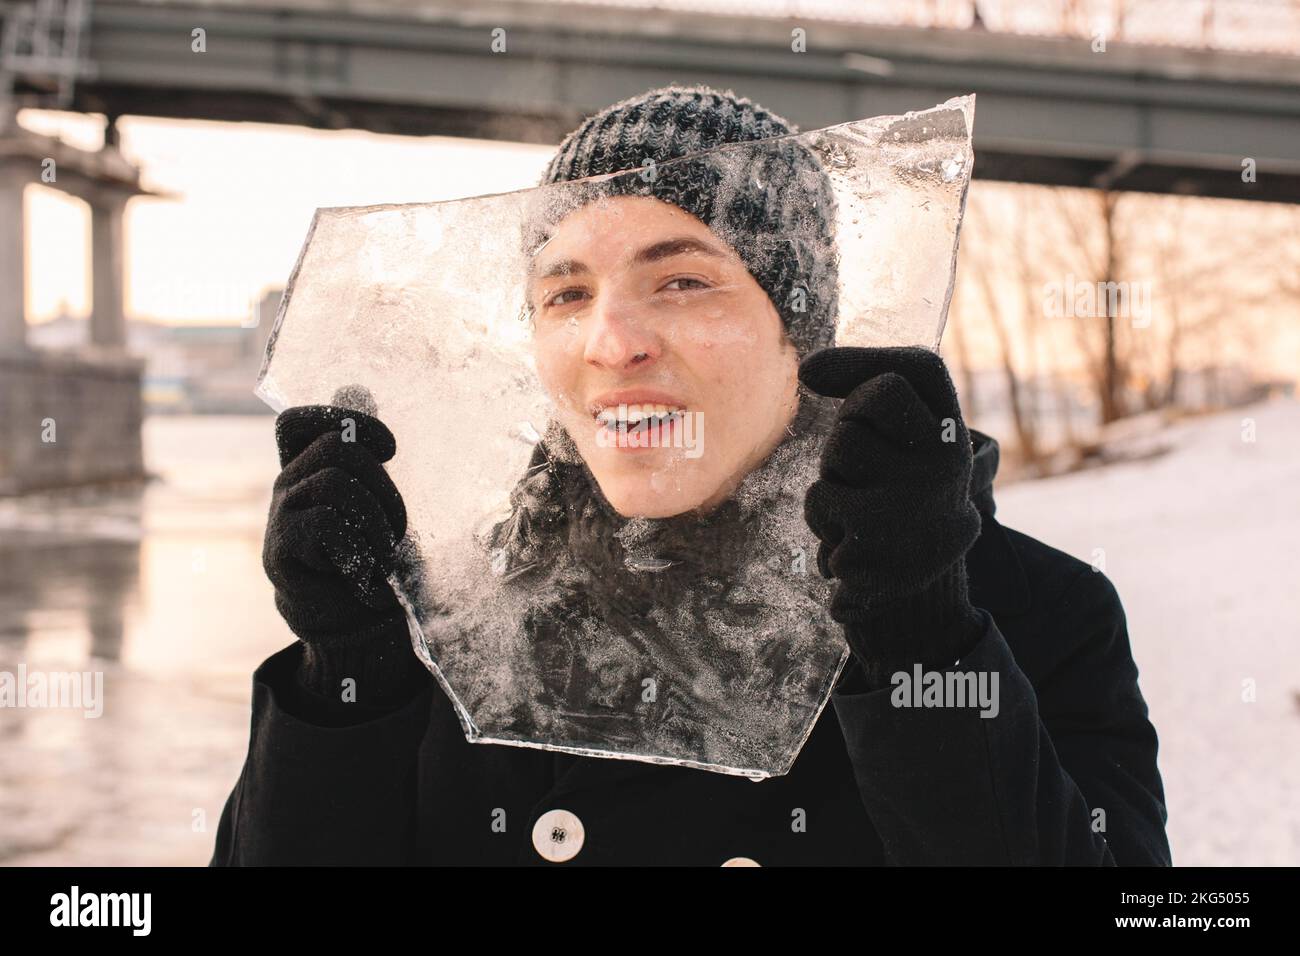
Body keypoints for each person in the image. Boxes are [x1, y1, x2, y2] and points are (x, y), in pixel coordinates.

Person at [211, 84, 1171, 866]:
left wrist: (918, 636)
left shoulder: (1029, 614)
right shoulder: (455, 625)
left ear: (800, 331)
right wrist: (344, 677)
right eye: (566, 294)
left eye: (682, 280)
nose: (612, 342)